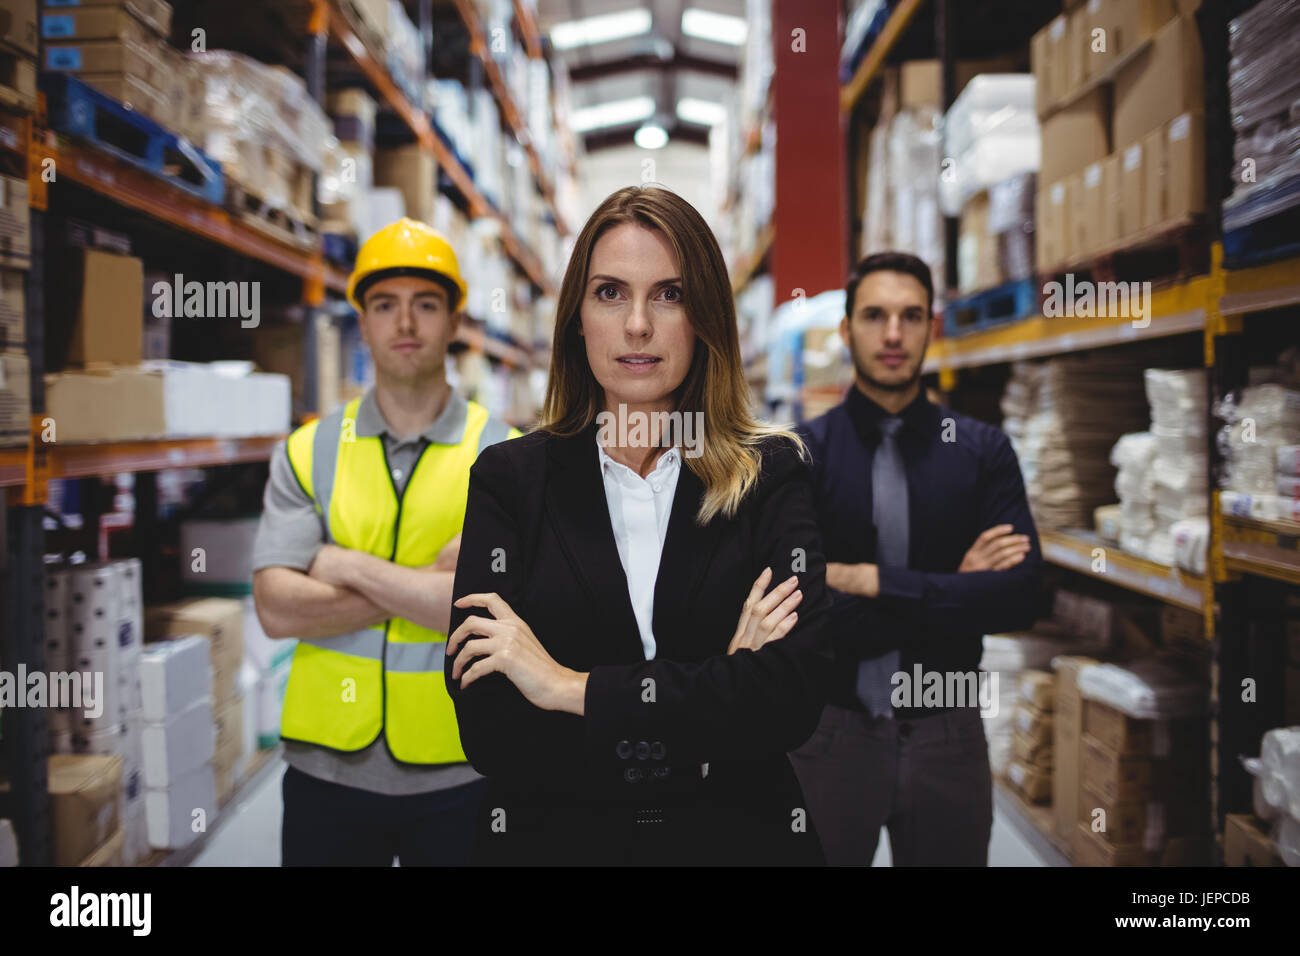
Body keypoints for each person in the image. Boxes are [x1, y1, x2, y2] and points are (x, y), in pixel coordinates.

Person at [442, 185, 834, 865]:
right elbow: (492, 731)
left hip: (737, 842)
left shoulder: (771, 474)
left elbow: (792, 701)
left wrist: (567, 687)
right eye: (610, 293)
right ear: (577, 319)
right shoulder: (510, 481)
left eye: (670, 295)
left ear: (706, 314)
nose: (638, 326)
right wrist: (722, 688)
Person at [251, 218, 519, 866]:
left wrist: (343, 565)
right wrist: (428, 586)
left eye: (426, 305)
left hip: (460, 766)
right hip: (326, 773)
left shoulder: (504, 456)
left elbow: (503, 610)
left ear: (455, 322)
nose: (405, 323)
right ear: (362, 323)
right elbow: (276, 608)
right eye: (384, 305)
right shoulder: (310, 449)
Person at [788, 251, 1045, 866]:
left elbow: (1024, 595)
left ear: (933, 327)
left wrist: (874, 581)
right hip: (830, 732)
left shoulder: (982, 451)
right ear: (847, 331)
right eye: (875, 316)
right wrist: (955, 589)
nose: (894, 334)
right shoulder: (801, 456)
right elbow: (804, 614)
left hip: (948, 730)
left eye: (912, 316)